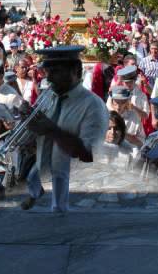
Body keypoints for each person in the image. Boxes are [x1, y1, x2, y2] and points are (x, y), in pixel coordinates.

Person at [22, 45, 109, 213]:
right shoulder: (49, 96)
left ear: (76, 70)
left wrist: (52, 130)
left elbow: (89, 155)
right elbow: (37, 134)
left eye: (56, 71)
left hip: (75, 196)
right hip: (43, 179)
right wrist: (26, 121)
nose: (50, 78)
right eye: (47, 72)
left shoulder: (93, 106)